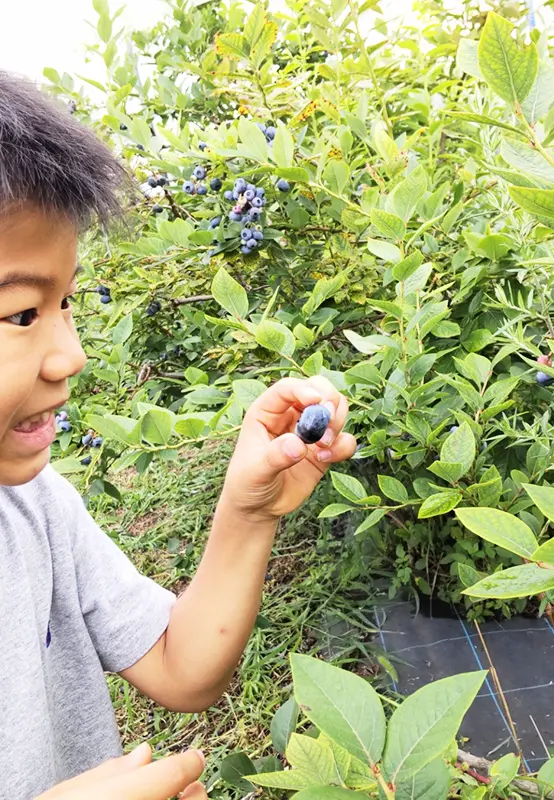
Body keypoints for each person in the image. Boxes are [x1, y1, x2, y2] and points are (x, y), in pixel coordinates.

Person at [0, 70, 357, 799]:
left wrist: (248, 511)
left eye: (66, 302)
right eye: (22, 314)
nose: (72, 355)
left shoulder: (33, 509)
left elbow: (179, 665)